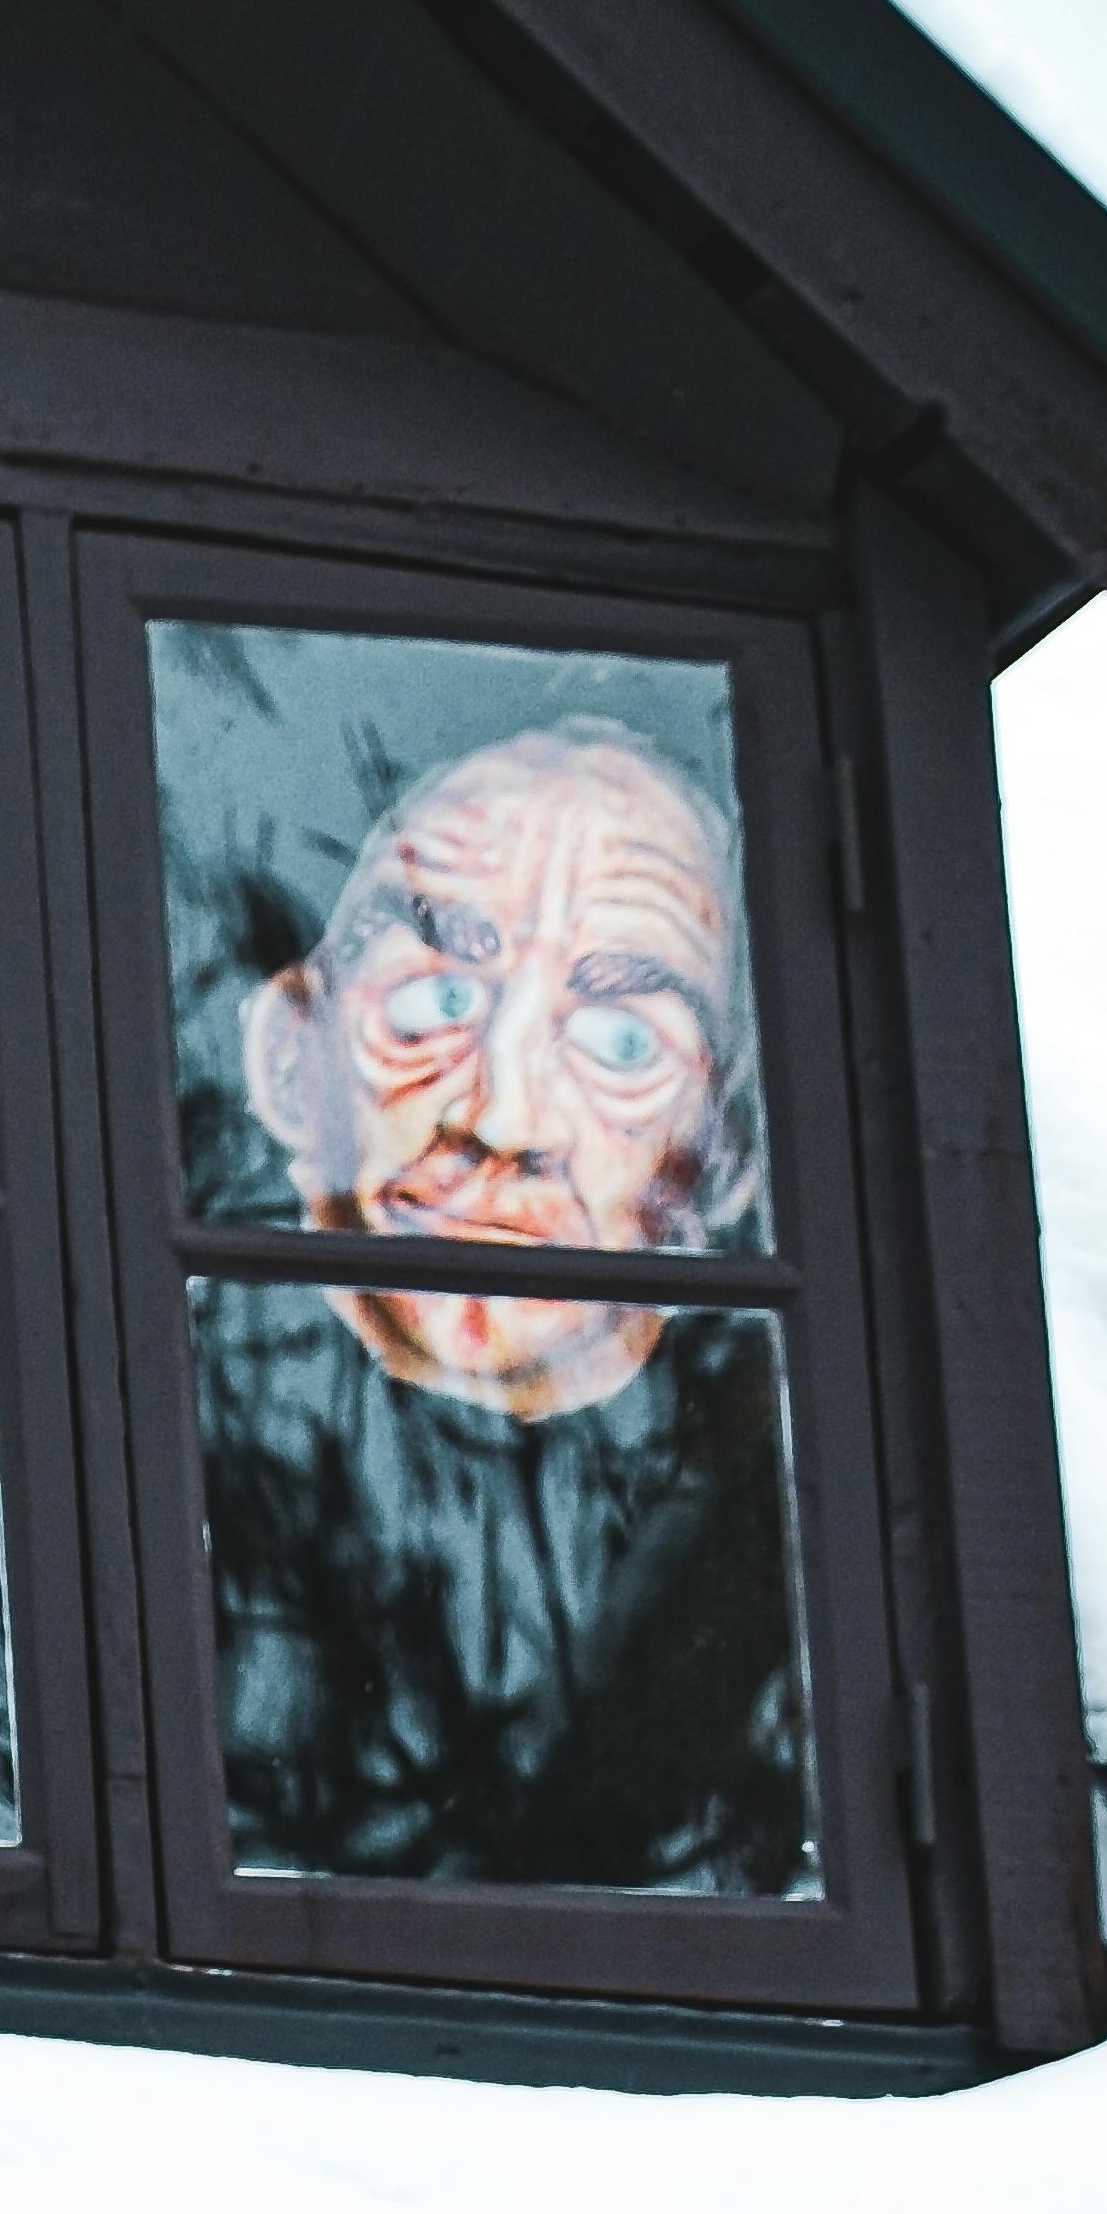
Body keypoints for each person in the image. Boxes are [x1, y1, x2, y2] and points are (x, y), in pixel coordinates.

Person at [221, 714, 807, 1896]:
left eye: (622, 1041)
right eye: (436, 1002)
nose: (504, 1116)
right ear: (290, 1057)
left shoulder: (782, 1492)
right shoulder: (178, 1414)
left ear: (727, 1155)